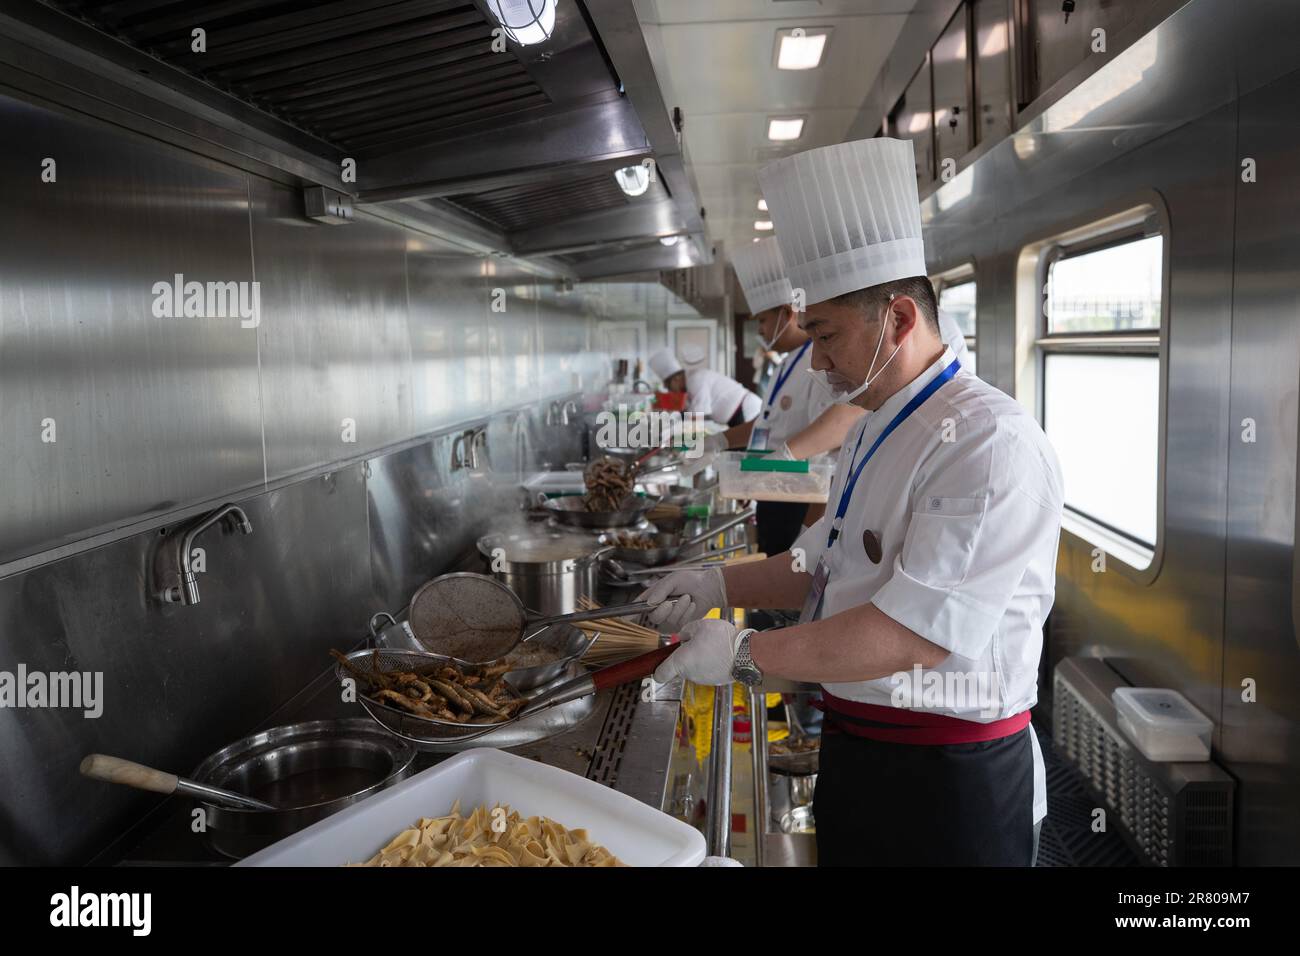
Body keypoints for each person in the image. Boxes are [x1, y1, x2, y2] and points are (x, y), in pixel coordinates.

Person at [641, 137, 1064, 866]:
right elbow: (820, 560)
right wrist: (718, 585)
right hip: (857, 745)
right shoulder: (875, 423)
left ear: (898, 319)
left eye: (827, 335)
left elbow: (915, 634)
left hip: (950, 778)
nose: (818, 360)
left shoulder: (988, 441)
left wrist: (744, 653)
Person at [706, 236, 866, 555]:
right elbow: (768, 423)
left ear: (786, 313)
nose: (760, 330)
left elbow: (832, 448)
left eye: (763, 320)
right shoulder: (786, 362)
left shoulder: (821, 364)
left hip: (802, 500)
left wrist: (808, 536)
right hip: (775, 490)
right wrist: (722, 443)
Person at [648, 346, 761, 428]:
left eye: (668, 386)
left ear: (676, 379)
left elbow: (698, 415)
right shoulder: (689, 383)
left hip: (746, 410)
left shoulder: (695, 380)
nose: (670, 390)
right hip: (736, 417)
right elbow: (689, 412)